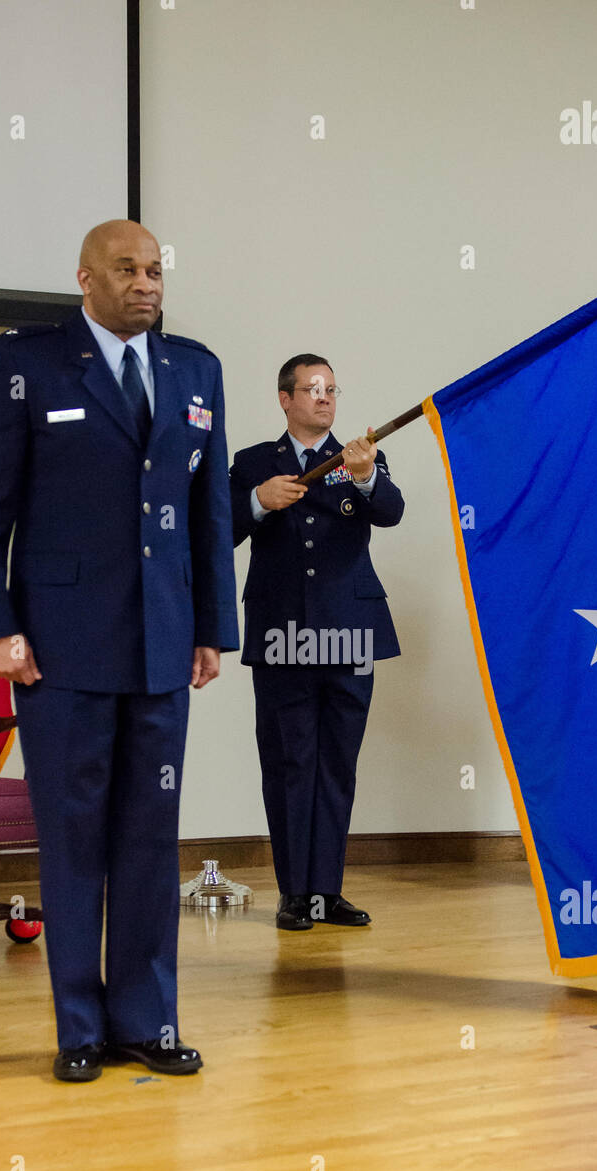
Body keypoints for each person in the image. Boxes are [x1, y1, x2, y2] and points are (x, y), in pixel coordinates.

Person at [0, 220, 238, 1081]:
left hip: (162, 644)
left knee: (151, 836)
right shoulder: (27, 364)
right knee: (73, 839)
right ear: (85, 278)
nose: (146, 283)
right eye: (126, 269)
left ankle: (146, 1020)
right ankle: (79, 1026)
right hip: (58, 649)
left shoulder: (196, 368)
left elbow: (210, 510)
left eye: (154, 269)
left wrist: (211, 626)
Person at [229, 355, 404, 931]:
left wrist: (365, 475)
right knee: (288, 761)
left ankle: (327, 890)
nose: (325, 398)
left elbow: (392, 511)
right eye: (312, 389)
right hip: (284, 634)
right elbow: (220, 530)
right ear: (285, 398)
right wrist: (259, 501)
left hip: (350, 631)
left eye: (332, 389)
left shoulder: (359, 456)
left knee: (336, 763)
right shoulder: (255, 463)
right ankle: (294, 892)